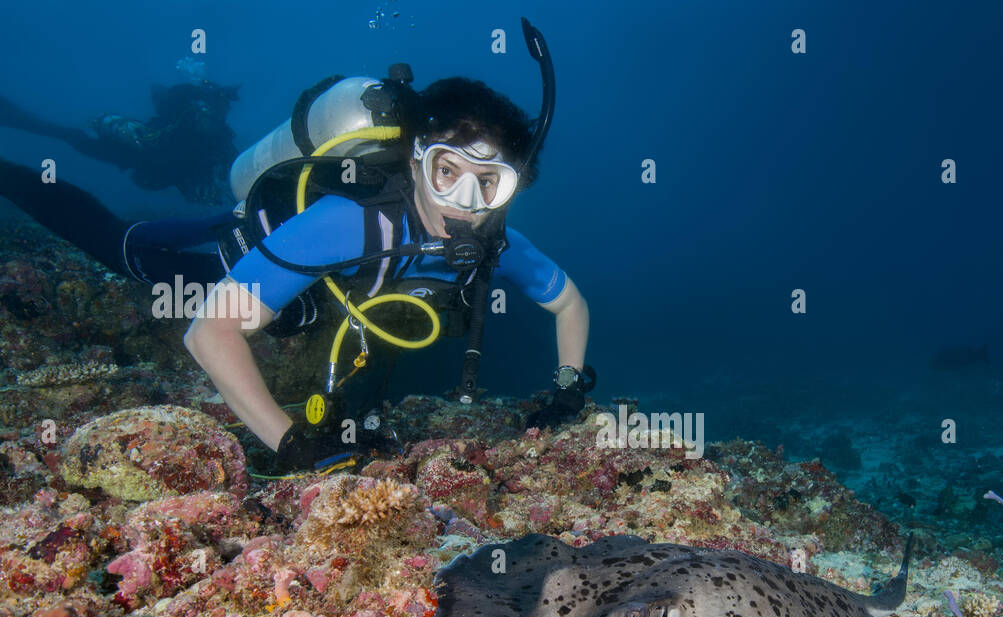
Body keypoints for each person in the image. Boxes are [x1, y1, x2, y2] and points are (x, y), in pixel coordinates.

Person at [0, 70, 592, 474]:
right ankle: (16, 177)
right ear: (416, 163)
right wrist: (290, 443)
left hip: (323, 299)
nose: (467, 200)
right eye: (447, 172)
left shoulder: (498, 242)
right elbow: (210, 331)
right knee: (126, 250)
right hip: (257, 254)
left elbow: (568, 303)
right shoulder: (344, 223)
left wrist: (568, 386)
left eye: (491, 183)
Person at [0, 80, 239, 205]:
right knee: (73, 137)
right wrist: (205, 92)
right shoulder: (186, 114)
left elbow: (230, 171)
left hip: (144, 164)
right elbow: (173, 95)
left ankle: (22, 120)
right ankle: (17, 118)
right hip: (134, 155)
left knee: (74, 138)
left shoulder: (222, 138)